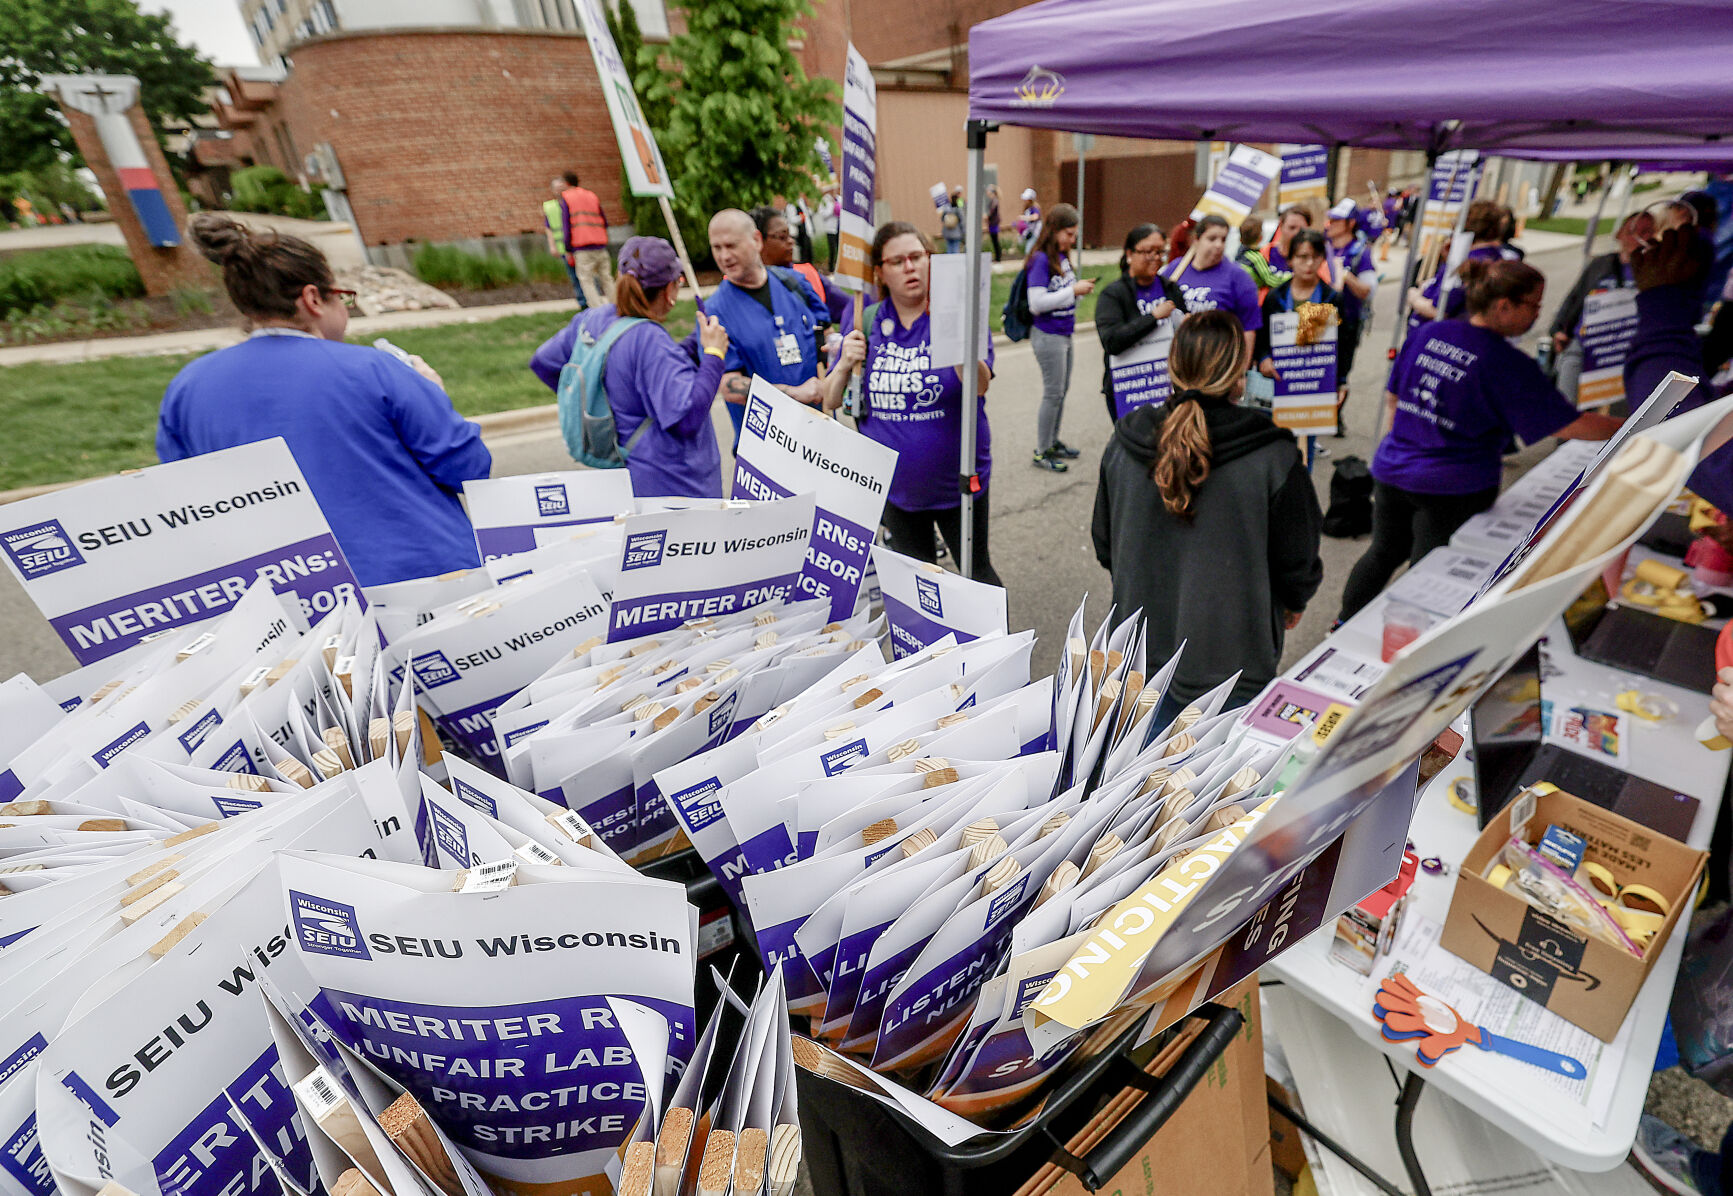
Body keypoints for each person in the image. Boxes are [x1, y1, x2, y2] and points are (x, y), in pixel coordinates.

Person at [157, 214, 490, 587]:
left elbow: (190, 508)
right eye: (343, 297)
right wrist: (436, 395)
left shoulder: (186, 388)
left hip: (290, 598)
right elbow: (469, 471)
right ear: (313, 298)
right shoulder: (375, 368)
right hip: (424, 580)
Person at [1337, 259, 1623, 621]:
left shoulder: (1430, 333)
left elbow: (1393, 398)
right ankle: (1406, 650)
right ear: (1504, 306)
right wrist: (1634, 424)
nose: (1538, 314)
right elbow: (1568, 425)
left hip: (1393, 469)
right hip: (1451, 489)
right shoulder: (1506, 362)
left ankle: (1343, 623)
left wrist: (1411, 443)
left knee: (1382, 552)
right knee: (1429, 572)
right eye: (1533, 304)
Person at [1092, 310, 1323, 721]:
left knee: (1138, 782)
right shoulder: (1274, 454)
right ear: (1240, 371)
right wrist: (1293, 603)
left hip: (1138, 659)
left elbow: (1105, 544)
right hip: (1233, 667)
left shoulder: (1126, 439)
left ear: (1171, 364)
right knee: (1217, 784)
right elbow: (1297, 563)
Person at [825, 222, 1000, 585]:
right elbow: (831, 399)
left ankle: (994, 642)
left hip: (959, 481)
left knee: (976, 577)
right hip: (895, 488)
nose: (909, 267)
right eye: (897, 261)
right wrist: (843, 360)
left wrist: (952, 333)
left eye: (917, 257)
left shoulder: (959, 312)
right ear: (880, 273)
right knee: (920, 583)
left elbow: (980, 386)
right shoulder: (865, 318)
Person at [529, 237, 731, 500]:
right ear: (670, 290)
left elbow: (543, 362)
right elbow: (687, 417)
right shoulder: (650, 340)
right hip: (675, 489)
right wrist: (714, 355)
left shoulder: (591, 320)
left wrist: (596, 401)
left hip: (626, 476)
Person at [706, 208, 830, 443]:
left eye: (731, 245)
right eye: (717, 248)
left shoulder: (794, 284)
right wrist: (796, 394)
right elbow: (729, 386)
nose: (724, 256)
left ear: (756, 240)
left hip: (817, 438)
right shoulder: (715, 312)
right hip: (765, 448)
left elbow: (825, 334)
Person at [1549, 210, 1655, 403]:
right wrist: (1560, 329)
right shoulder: (1601, 264)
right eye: (1632, 231)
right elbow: (1575, 297)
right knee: (1566, 405)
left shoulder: (1654, 271)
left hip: (1624, 353)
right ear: (1619, 234)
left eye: (1646, 231)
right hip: (1584, 345)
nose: (1638, 237)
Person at [1025, 203, 1096, 471]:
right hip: (1047, 335)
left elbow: (1064, 291)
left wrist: (1076, 291)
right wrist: (1073, 291)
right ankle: (1042, 451)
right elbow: (1037, 303)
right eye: (1068, 233)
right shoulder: (1041, 259)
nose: (1072, 240)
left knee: (1061, 392)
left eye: (1075, 234)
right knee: (1053, 393)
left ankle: (1053, 441)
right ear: (1053, 231)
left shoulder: (1061, 257)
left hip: (1064, 333)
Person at [1097, 223, 1187, 420]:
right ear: (1130, 254)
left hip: (1168, 385)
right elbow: (1112, 341)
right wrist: (1153, 318)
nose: (1155, 258)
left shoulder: (1170, 289)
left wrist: (1189, 325)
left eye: (1160, 252)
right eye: (1148, 252)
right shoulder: (1113, 294)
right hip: (1129, 386)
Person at [1405, 199, 1512, 335]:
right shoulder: (1494, 257)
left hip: (1438, 337)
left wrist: (1414, 297)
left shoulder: (1472, 262)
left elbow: (1440, 310)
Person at [1163, 213, 1261, 362]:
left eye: (1223, 239)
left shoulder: (1238, 277)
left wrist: (1241, 372)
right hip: (1180, 360)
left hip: (1218, 364)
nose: (1218, 245)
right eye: (1212, 238)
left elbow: (1248, 329)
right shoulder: (1175, 270)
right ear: (1197, 239)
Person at [1324, 198, 1381, 435]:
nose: (1330, 224)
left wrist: (1343, 274)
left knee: (1339, 372)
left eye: (1336, 220)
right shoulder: (1323, 245)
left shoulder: (1360, 252)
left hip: (1346, 320)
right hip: (1318, 318)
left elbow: (1368, 290)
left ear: (1349, 223)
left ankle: (1334, 418)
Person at [1253, 229, 1341, 380]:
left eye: (1315, 257)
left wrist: (1341, 381)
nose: (1309, 263)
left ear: (1322, 259)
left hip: (1320, 381)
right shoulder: (1274, 297)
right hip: (1281, 381)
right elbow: (1261, 338)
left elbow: (1345, 344)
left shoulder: (1332, 298)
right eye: (1303, 257)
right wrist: (1264, 359)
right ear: (1290, 260)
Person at [750, 204, 844, 324]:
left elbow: (849, 308)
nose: (791, 241)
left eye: (790, 235)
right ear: (757, 241)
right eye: (782, 237)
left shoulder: (807, 275)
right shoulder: (739, 289)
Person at [558, 171, 615, 310]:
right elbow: (604, 221)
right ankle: (617, 306)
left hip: (582, 246)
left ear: (566, 183)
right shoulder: (591, 196)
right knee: (606, 278)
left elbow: (567, 225)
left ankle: (597, 310)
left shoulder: (567, 198)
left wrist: (568, 249)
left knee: (586, 280)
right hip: (600, 244)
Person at [542, 177, 586, 308]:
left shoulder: (574, 203)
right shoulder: (550, 207)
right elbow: (548, 228)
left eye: (562, 187)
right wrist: (552, 246)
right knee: (574, 277)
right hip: (564, 248)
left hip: (579, 246)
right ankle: (583, 303)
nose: (560, 191)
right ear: (552, 191)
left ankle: (593, 301)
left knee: (586, 275)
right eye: (557, 188)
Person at [1236, 214, 1289, 298]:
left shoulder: (1240, 253)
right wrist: (1291, 276)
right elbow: (1271, 280)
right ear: (1260, 237)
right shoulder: (1255, 258)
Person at [1264, 206, 1311, 276]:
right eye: (1292, 228)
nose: (1296, 233)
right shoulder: (1265, 253)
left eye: (1302, 229)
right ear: (1281, 226)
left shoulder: (1314, 258)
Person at [940, 186, 966, 255]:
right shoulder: (959, 205)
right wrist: (963, 231)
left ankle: (949, 262)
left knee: (949, 248)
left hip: (947, 232)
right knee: (955, 248)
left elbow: (942, 219)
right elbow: (962, 218)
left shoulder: (946, 207)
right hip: (956, 231)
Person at [1020, 188, 1042, 253]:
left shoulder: (1034, 208)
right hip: (1030, 231)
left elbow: (1035, 217)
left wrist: (1025, 218)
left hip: (1035, 232)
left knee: (1028, 250)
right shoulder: (1028, 208)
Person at [985, 184, 1003, 262]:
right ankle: (997, 256)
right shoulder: (993, 201)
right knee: (994, 240)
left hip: (994, 223)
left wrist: (987, 216)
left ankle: (998, 257)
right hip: (992, 223)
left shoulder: (994, 201)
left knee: (995, 240)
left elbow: (991, 212)